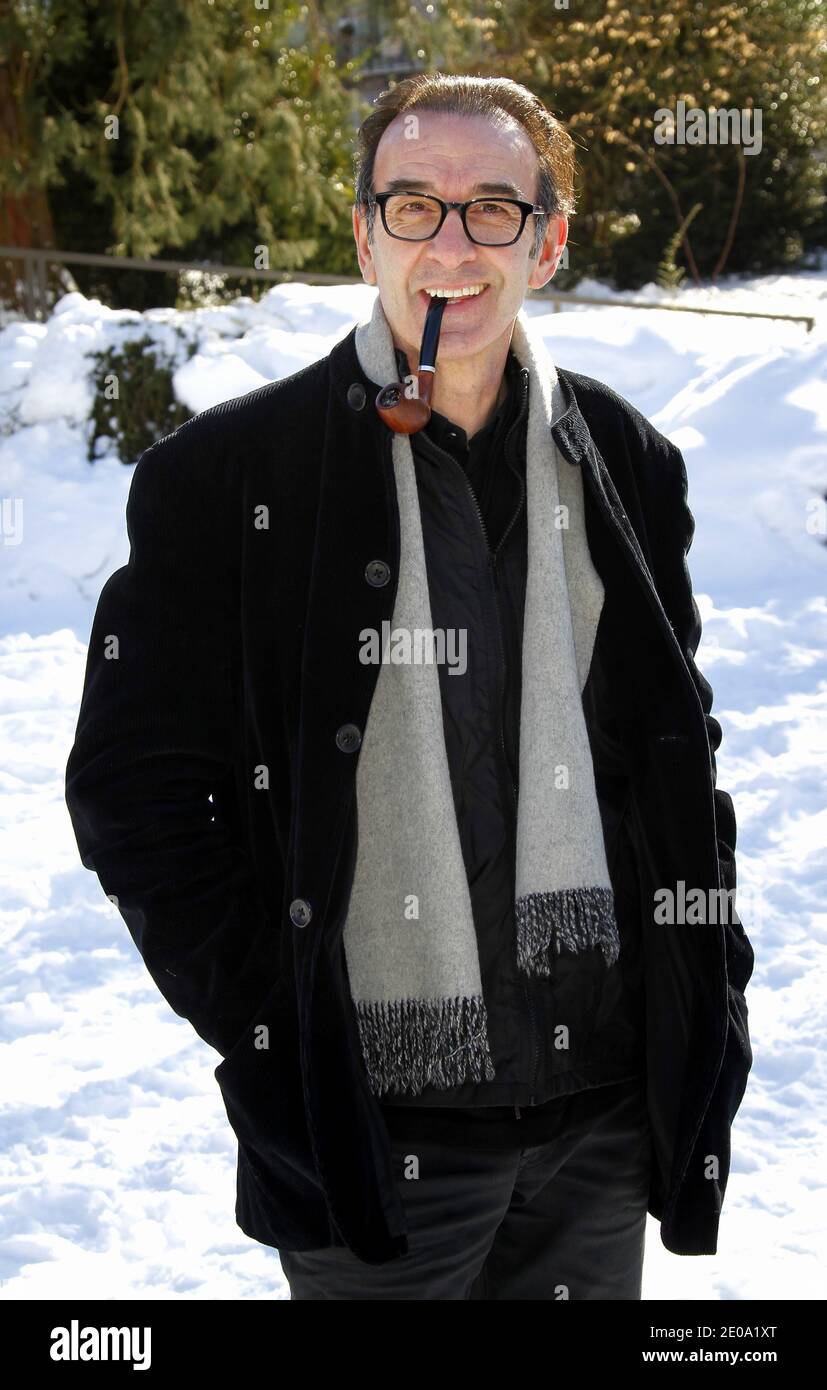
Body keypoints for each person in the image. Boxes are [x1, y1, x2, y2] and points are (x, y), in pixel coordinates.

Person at [65, 73, 755, 1301]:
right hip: (376, 1141)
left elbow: (676, 760)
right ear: (360, 233)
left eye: (493, 208)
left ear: (545, 241)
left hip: (599, 1124)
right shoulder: (229, 478)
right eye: (413, 205)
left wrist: (713, 994)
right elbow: (136, 797)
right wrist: (273, 1033)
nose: (451, 244)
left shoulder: (626, 462)